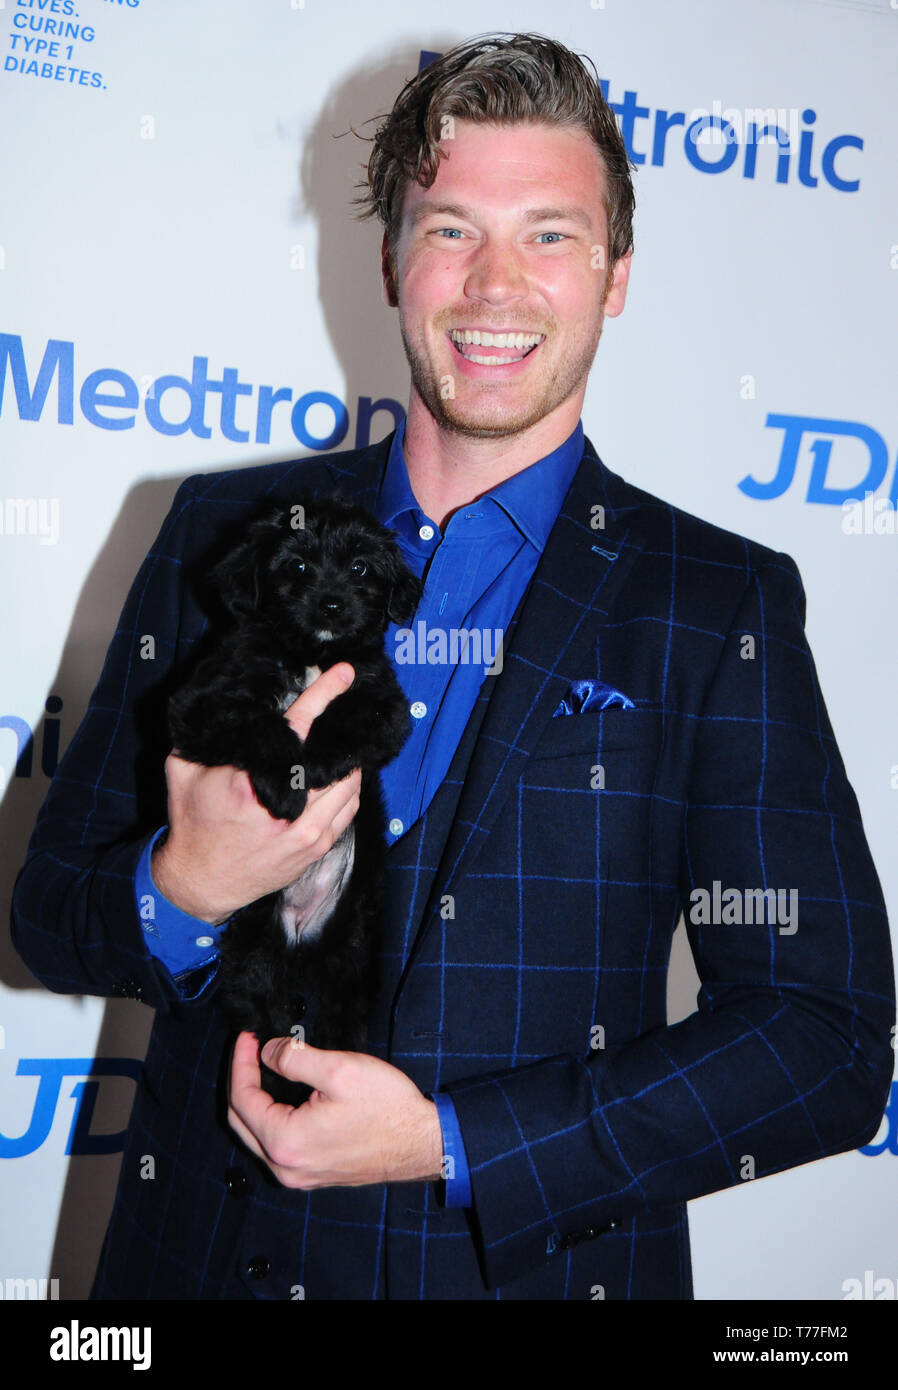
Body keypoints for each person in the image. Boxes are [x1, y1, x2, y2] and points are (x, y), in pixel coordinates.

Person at [11, 32, 895, 1301]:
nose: (494, 284)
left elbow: (824, 1043)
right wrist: (179, 887)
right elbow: (50, 915)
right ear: (390, 258)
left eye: (548, 234)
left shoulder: (717, 601)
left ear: (616, 275)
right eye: (448, 230)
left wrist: (454, 1143)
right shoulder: (218, 533)